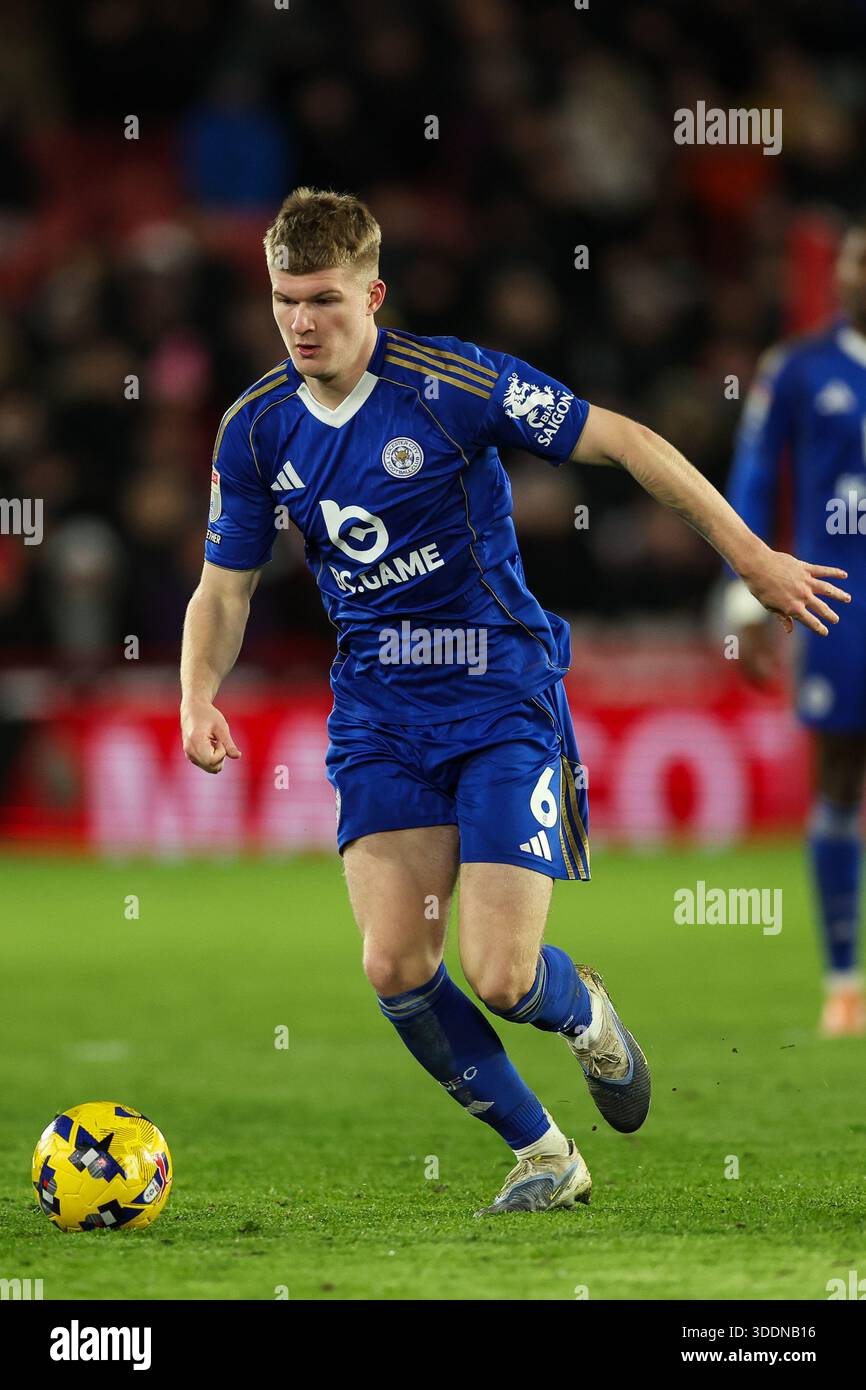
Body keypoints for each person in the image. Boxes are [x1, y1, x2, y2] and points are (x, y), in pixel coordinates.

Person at [180, 188, 849, 1214]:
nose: (300, 323)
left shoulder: (454, 384)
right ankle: (543, 1152)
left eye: (322, 300)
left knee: (499, 973)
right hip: (375, 710)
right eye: (282, 301)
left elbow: (623, 441)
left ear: (373, 294)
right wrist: (196, 694)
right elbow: (223, 589)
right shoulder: (256, 429)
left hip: (498, 688)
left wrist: (751, 559)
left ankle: (580, 1010)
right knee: (394, 963)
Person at [725, 220, 866, 1039]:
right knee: (840, 779)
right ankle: (845, 980)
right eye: (852, 263)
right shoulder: (800, 369)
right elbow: (750, 482)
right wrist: (746, 601)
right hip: (837, 603)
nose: (857, 277)